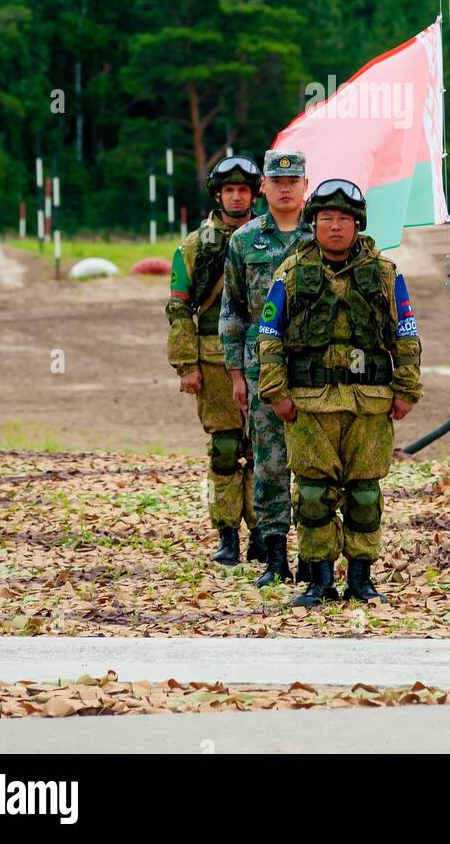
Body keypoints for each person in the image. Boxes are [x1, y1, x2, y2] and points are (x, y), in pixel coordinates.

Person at [257, 179, 422, 606]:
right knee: (313, 496)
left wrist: (406, 389)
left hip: (368, 403)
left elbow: (405, 334)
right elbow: (269, 336)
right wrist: (276, 392)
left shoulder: (384, 274)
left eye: (344, 219)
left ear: (357, 223)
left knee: (364, 495)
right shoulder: (291, 274)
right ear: (313, 224)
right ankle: (320, 581)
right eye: (326, 218)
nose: (335, 227)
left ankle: (361, 580)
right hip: (310, 405)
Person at [219, 149, 313, 587]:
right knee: (270, 462)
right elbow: (233, 311)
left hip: (316, 367)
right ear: (265, 189)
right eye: (278, 182)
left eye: (293, 181)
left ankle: (316, 554)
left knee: (316, 463)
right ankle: (275, 556)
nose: (285, 188)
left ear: (305, 186)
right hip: (263, 370)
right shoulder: (244, 241)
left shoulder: (324, 235)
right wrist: (237, 374)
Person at [166, 156, 264, 567]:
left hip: (263, 359)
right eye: (230, 191)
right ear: (218, 195)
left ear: (254, 194)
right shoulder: (194, 246)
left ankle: (264, 533)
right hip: (212, 362)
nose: (237, 197)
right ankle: (227, 535)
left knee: (264, 450)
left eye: (244, 190)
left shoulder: (270, 239)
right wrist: (185, 363)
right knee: (225, 449)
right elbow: (178, 309)